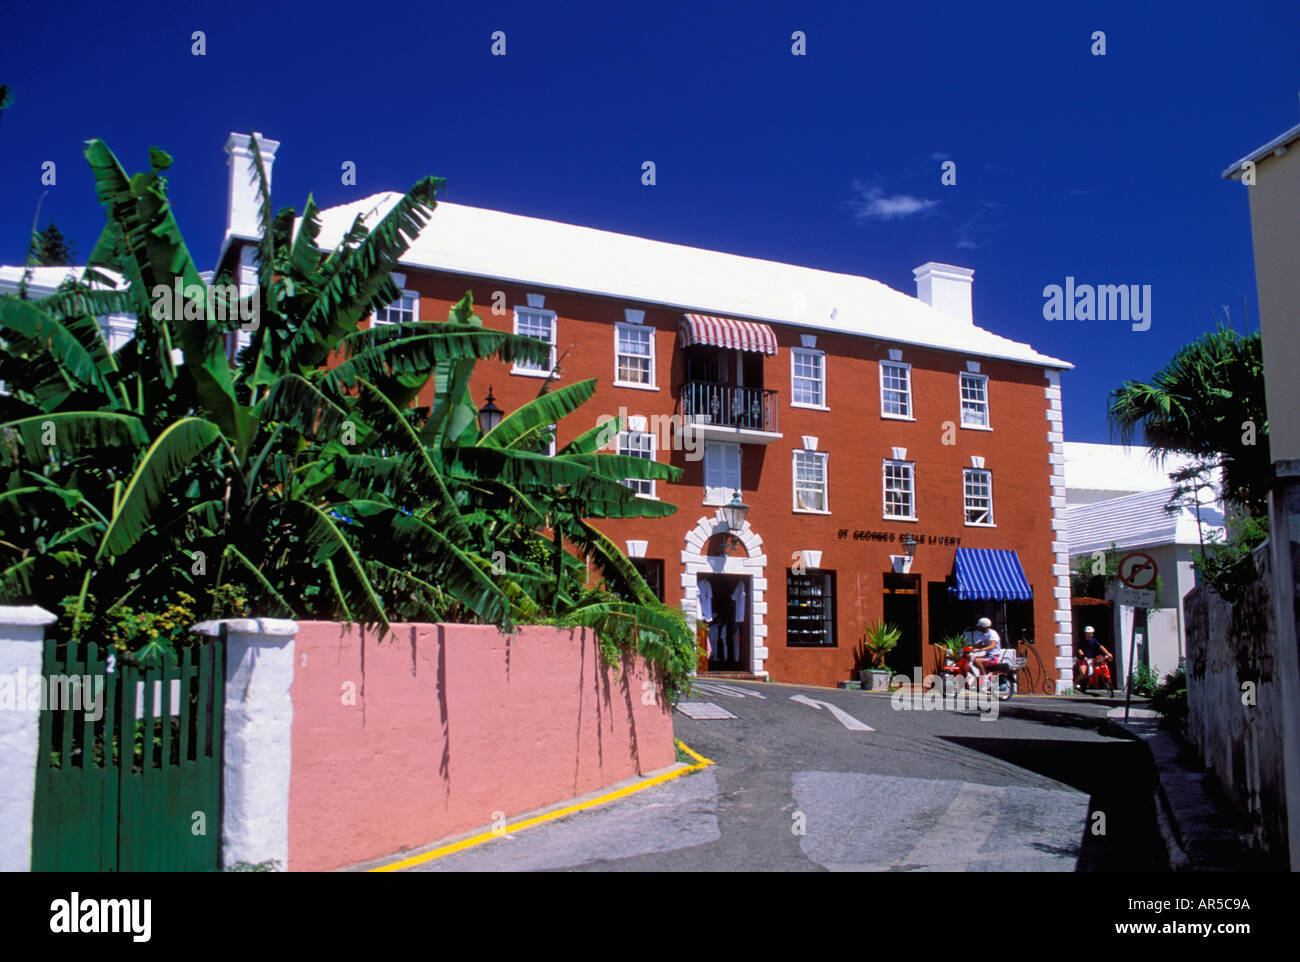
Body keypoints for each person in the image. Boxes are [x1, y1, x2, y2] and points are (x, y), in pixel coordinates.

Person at [967, 617, 1001, 687]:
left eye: (979, 626)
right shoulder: (986, 634)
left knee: (977, 661)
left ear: (983, 626)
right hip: (988, 655)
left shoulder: (992, 633)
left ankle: (985, 681)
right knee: (974, 660)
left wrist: (980, 650)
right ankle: (981, 681)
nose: (978, 628)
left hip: (993, 657)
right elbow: (978, 644)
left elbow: (992, 645)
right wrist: (968, 647)